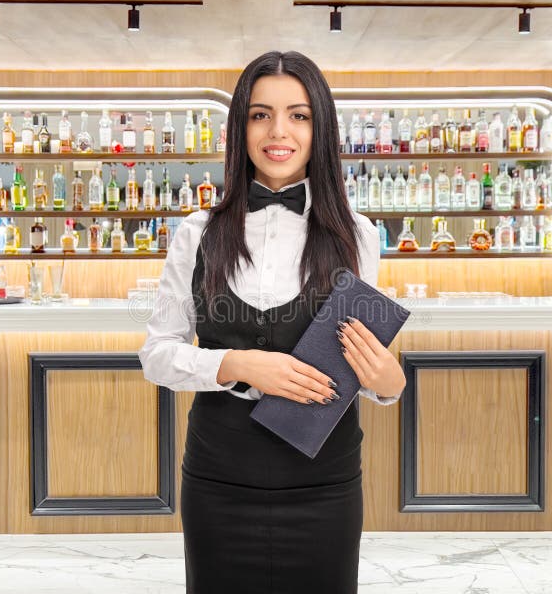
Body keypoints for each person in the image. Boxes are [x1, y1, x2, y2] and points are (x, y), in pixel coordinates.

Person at [139, 50, 406, 594]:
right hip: (218, 478)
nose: (277, 131)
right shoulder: (196, 231)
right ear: (240, 126)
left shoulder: (357, 233)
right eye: (260, 114)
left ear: (321, 127)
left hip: (324, 481)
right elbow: (157, 354)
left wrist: (389, 382)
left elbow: (374, 371)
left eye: (299, 115)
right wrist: (235, 363)